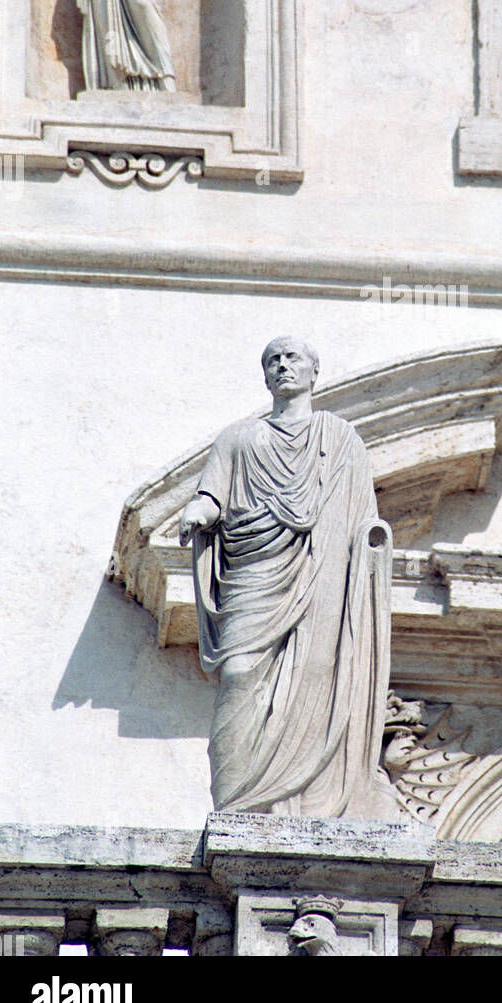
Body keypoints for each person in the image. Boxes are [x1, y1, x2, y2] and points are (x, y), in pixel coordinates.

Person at [179, 337, 398, 819]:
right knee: (238, 675)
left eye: (292, 357)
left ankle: (301, 796)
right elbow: (213, 492)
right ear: (264, 375)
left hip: (321, 577)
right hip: (254, 570)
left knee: (314, 676)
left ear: (314, 372)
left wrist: (373, 541)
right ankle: (236, 802)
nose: (282, 366)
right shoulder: (238, 437)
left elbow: (362, 516)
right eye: (272, 360)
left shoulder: (341, 438)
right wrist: (199, 509)